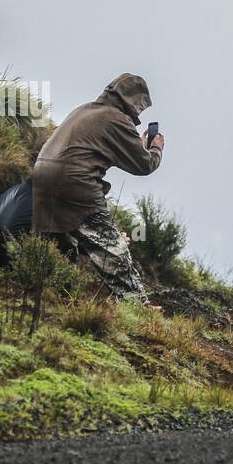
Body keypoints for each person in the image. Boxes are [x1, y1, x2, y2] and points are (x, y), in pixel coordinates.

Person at [32, 74, 164, 300]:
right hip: (76, 183)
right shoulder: (117, 119)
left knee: (60, 243)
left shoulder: (84, 110)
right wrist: (155, 148)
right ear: (132, 102)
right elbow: (144, 164)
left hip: (42, 177)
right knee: (113, 249)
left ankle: (51, 293)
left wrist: (135, 146)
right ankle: (135, 302)